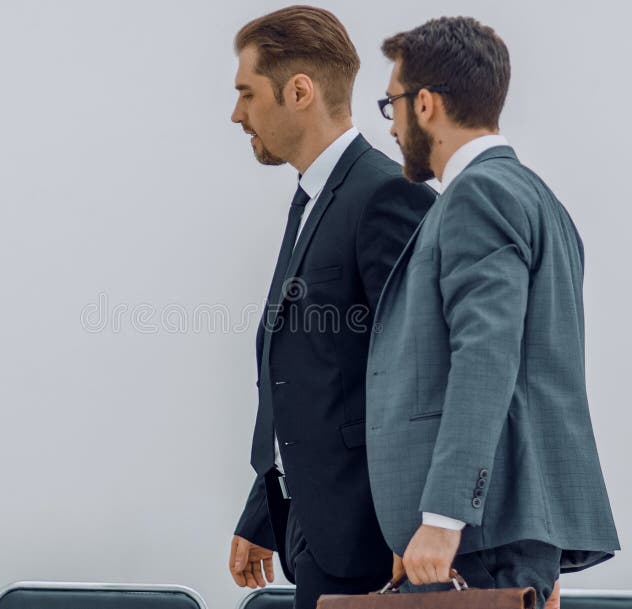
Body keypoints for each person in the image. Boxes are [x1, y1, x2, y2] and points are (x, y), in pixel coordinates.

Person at [365, 16, 619, 608]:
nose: (394, 125)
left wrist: (444, 516)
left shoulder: (477, 195)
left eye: (392, 104)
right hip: (509, 529)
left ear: (424, 104)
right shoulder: (539, 199)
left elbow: (486, 354)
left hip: (480, 535)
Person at [226, 7, 435, 609]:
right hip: (316, 531)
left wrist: (416, 525)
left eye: (246, 93)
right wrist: (264, 509)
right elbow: (311, 376)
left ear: (299, 91)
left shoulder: (386, 194)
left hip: (377, 545)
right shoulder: (313, 197)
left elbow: (422, 374)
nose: (237, 114)